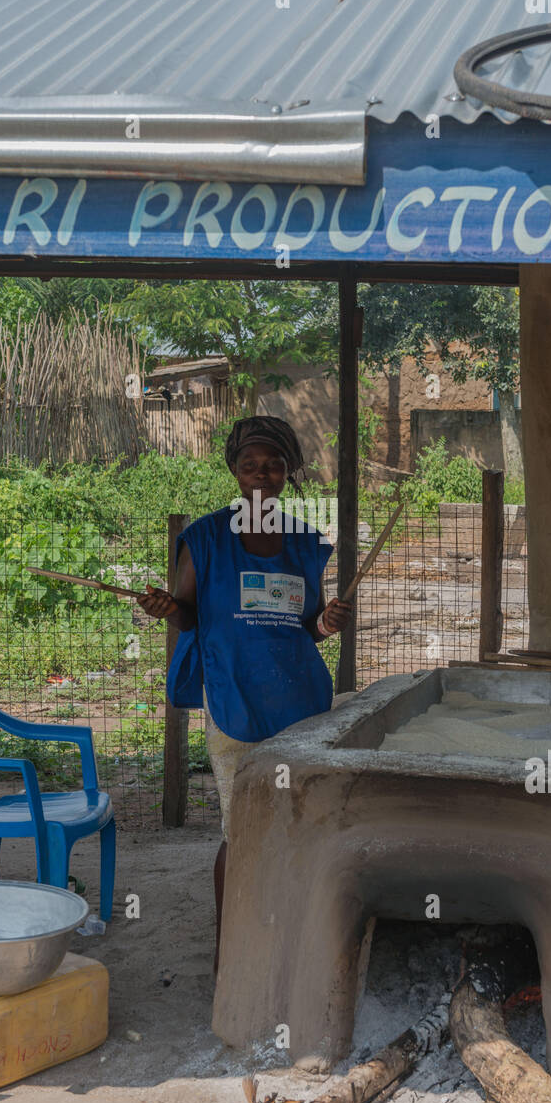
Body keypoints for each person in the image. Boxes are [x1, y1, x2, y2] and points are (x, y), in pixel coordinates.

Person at [136, 414, 353, 971]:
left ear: (289, 472)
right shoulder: (205, 538)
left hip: (300, 703)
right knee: (241, 828)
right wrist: (167, 609)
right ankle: (229, 952)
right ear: (234, 470)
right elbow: (188, 615)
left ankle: (291, 938)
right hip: (233, 698)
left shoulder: (305, 543)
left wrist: (328, 623)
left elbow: (307, 628)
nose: (262, 474)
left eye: (274, 465)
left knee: (299, 823)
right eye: (250, 464)